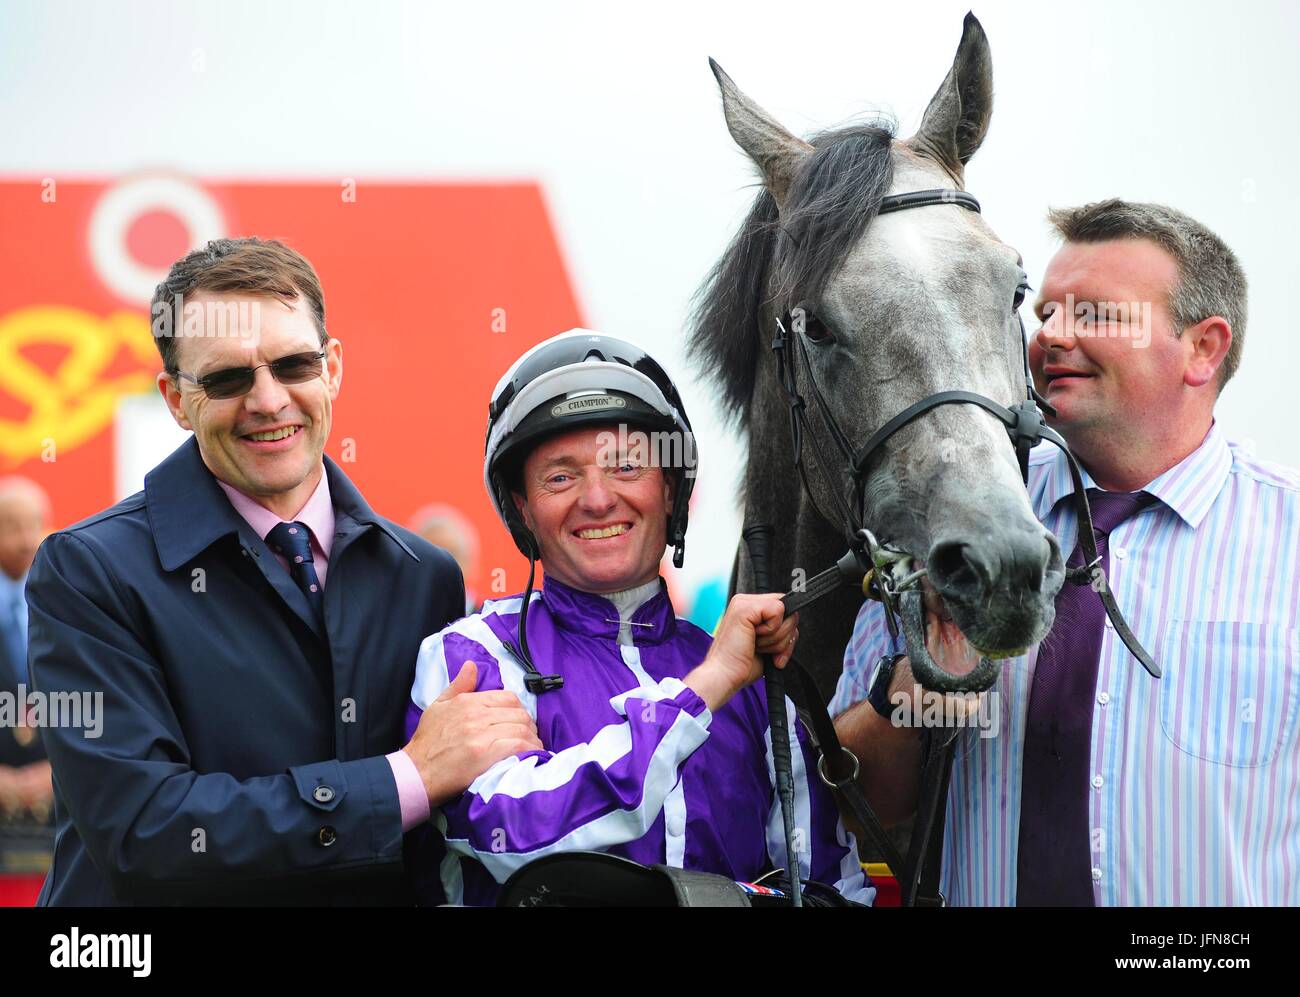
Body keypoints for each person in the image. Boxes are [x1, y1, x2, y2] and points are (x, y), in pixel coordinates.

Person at [25, 237, 541, 905]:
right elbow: (142, 830)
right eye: (228, 378)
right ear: (177, 400)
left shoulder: (423, 576)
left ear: (332, 368)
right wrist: (402, 779)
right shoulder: (87, 573)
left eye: (293, 364)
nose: (267, 400)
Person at [832, 199, 1300, 906]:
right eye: (1043, 311)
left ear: (1203, 348)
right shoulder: (945, 526)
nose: (1050, 335)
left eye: (1094, 314)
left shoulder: (1289, 542)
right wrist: (925, 678)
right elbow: (853, 799)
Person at [408, 330, 871, 906]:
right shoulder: (473, 657)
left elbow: (832, 886)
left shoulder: (755, 684)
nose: (598, 499)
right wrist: (704, 690)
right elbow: (516, 834)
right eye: (560, 476)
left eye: (626, 466)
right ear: (522, 509)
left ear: (670, 491)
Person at [0, 477, 53, 821]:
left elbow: (97, 697)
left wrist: (59, 769)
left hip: (57, 804)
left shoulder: (70, 602)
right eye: (12, 526)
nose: (25, 539)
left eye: (33, 525)